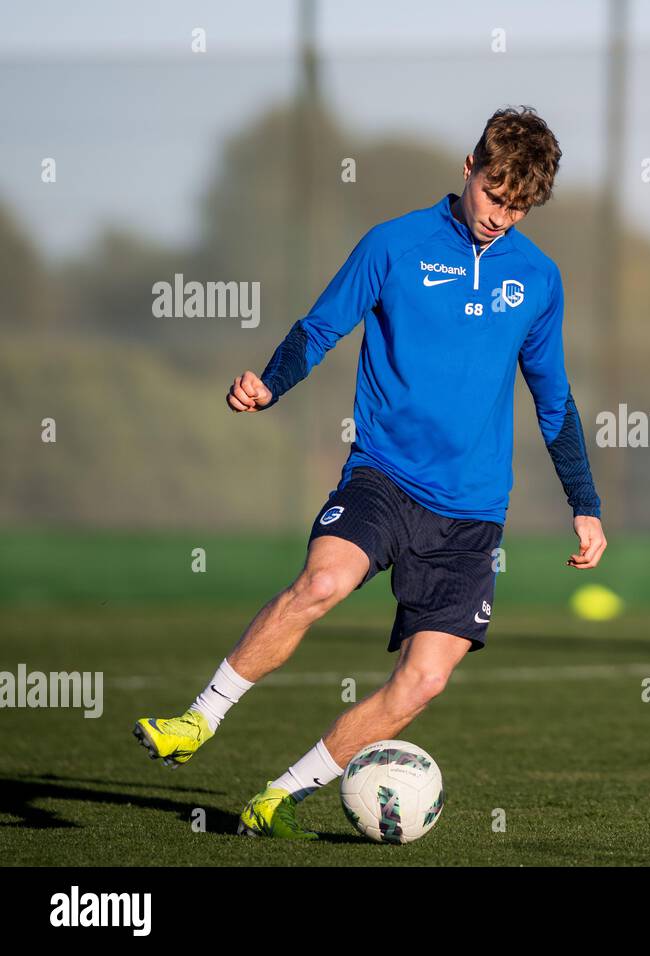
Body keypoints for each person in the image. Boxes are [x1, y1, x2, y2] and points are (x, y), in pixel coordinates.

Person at [134, 106, 607, 839]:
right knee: (321, 582)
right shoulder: (394, 245)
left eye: (518, 206)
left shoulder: (538, 280)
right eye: (493, 194)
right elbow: (320, 326)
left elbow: (554, 399)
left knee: (424, 681)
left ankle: (280, 796)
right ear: (468, 169)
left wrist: (585, 502)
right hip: (383, 476)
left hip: (472, 512)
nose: (500, 217)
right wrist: (270, 383)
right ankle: (199, 720)